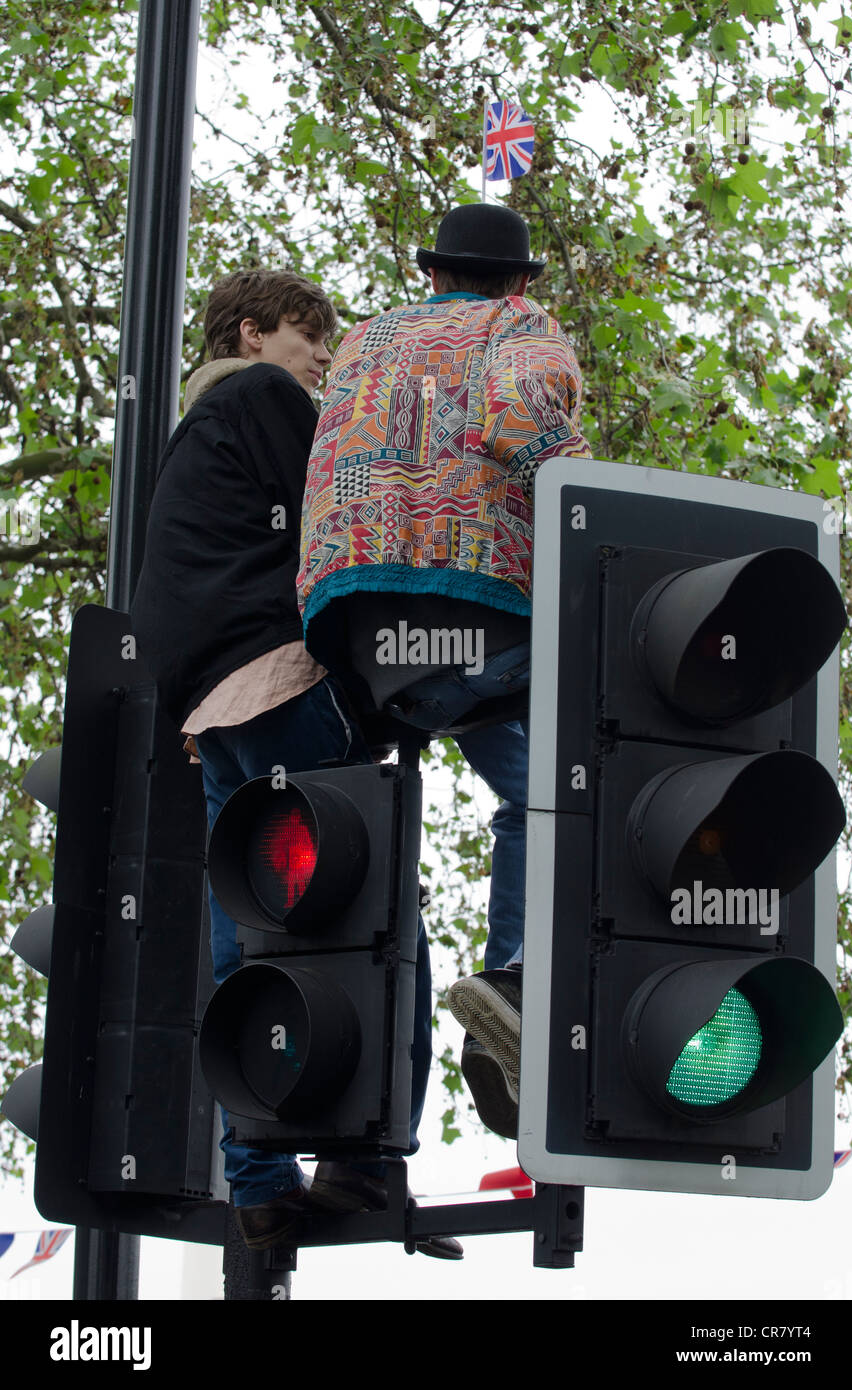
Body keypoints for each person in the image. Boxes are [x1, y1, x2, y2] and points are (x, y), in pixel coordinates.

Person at [129, 267, 461, 1259]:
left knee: (257, 934)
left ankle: (262, 1181)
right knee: (380, 916)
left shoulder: (191, 440)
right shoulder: (259, 397)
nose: (321, 355)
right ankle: (365, 1161)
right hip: (280, 680)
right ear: (247, 333)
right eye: (304, 335)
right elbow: (341, 510)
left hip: (212, 710)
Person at [297, 205, 592, 1138]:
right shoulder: (518, 329)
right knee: (577, 770)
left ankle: (479, 1007)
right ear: (518, 283)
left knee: (513, 762)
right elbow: (514, 416)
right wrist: (595, 491)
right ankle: (512, 976)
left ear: (432, 275)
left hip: (364, 640)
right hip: (474, 616)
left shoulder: (362, 342)